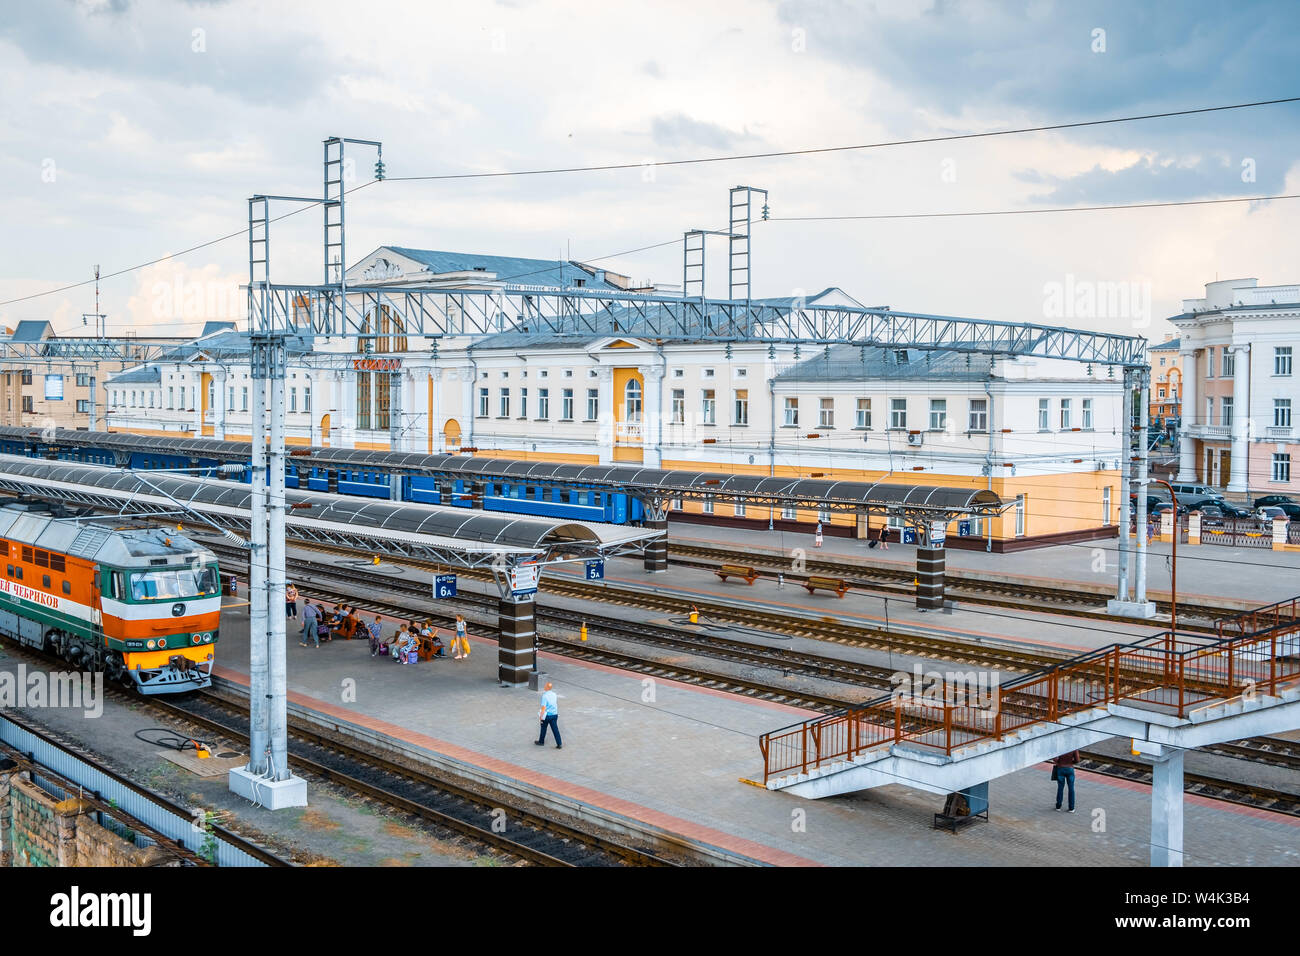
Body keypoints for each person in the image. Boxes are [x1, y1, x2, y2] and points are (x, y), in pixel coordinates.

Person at [535, 681, 561, 749]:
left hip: (547, 716)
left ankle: (541, 741)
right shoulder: (554, 694)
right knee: (555, 730)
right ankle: (559, 744)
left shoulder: (545, 696)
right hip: (554, 715)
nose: (544, 687)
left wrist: (541, 717)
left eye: (545, 686)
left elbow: (543, 708)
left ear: (547, 687)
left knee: (543, 728)